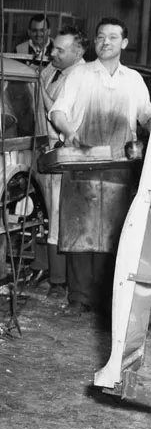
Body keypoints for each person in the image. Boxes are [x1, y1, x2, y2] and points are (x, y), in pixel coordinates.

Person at [49, 17, 151, 316]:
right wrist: (70, 132)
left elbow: (146, 116)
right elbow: (58, 111)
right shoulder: (80, 75)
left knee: (116, 233)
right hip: (83, 162)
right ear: (95, 42)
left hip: (121, 165)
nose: (106, 42)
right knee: (80, 232)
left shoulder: (133, 80)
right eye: (101, 37)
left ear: (124, 43)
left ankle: (109, 300)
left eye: (113, 37)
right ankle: (78, 298)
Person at [36, 26, 88, 300]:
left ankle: (60, 281)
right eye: (52, 47)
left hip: (68, 153)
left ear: (78, 52)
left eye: (59, 50)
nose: (52, 53)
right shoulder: (51, 69)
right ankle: (48, 270)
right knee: (48, 211)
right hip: (47, 151)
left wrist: (39, 87)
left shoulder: (82, 74)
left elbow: (54, 108)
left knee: (61, 215)